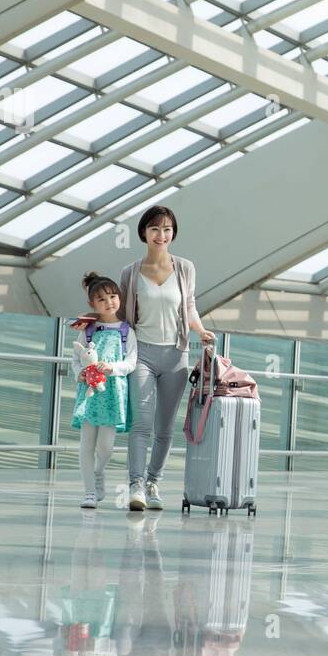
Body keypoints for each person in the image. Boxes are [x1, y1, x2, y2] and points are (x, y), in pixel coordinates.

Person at [116, 205, 214, 511]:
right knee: (141, 424)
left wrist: (200, 330)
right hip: (141, 353)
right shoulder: (130, 273)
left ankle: (153, 482)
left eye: (167, 229)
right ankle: (135, 486)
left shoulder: (185, 268)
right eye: (155, 229)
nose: (162, 235)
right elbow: (121, 315)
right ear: (144, 232)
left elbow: (190, 306)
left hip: (176, 354)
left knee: (165, 427)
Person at [71, 271, 139, 509]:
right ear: (92, 304)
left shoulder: (126, 331)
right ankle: (89, 491)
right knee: (86, 444)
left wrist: (112, 368)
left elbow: (131, 362)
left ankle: (99, 471)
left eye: (112, 296)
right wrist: (79, 372)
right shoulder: (87, 330)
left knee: (106, 447)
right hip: (89, 394)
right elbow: (76, 359)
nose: (109, 302)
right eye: (101, 299)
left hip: (113, 395)